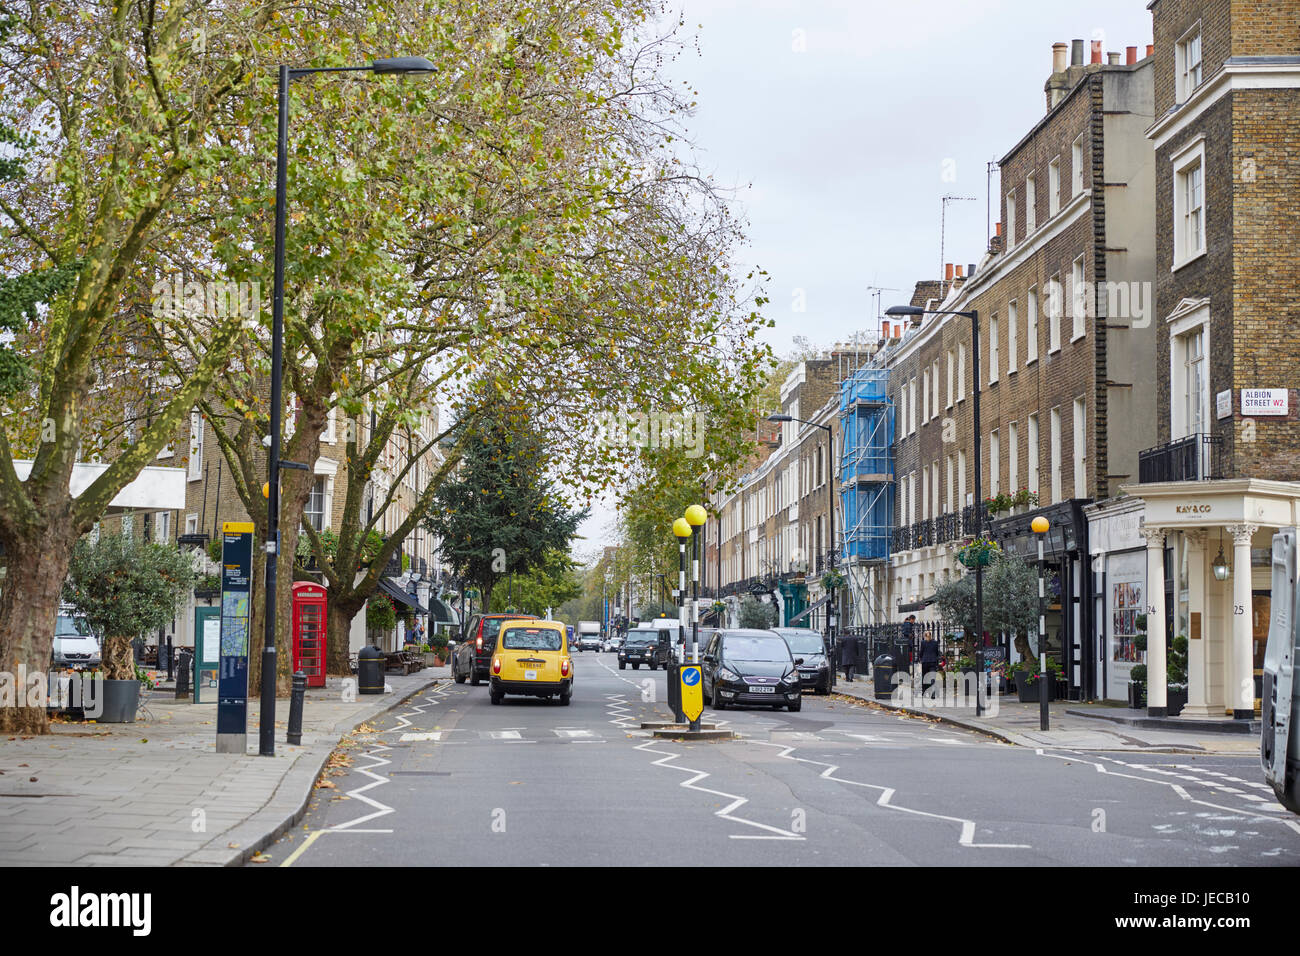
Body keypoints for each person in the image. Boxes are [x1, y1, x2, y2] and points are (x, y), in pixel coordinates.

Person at [919, 629, 941, 699]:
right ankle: (933, 693)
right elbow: (937, 652)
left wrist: (920, 659)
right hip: (933, 662)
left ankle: (924, 691)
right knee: (932, 678)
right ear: (931, 635)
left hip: (925, 662)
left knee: (925, 677)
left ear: (924, 636)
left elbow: (921, 652)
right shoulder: (935, 642)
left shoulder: (923, 642)